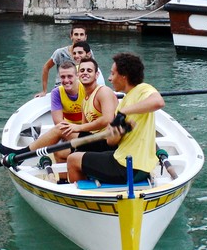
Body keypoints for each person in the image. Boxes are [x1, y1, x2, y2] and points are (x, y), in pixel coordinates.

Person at [67, 52, 164, 185]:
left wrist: (123, 113)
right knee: (81, 153)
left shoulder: (142, 89)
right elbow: (111, 142)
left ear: (124, 76)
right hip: (128, 160)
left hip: (128, 167)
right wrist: (116, 132)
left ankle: (82, 194)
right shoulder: (123, 102)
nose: (109, 78)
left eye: (113, 74)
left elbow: (158, 102)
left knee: (72, 160)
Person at [26, 57, 117, 161]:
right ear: (79, 74)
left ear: (97, 75)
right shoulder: (85, 99)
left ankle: (23, 153)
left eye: (89, 70)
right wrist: (75, 136)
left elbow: (107, 119)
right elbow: (84, 127)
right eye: (82, 70)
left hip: (106, 142)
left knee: (61, 128)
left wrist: (77, 128)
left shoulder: (103, 91)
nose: (85, 73)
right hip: (93, 138)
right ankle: (67, 173)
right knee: (59, 153)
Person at [37, 25, 88, 97]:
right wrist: (44, 90)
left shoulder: (88, 53)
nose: (79, 38)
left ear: (85, 37)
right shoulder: (60, 52)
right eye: (76, 34)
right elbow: (46, 67)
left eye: (81, 34)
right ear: (71, 36)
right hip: (61, 87)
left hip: (80, 88)